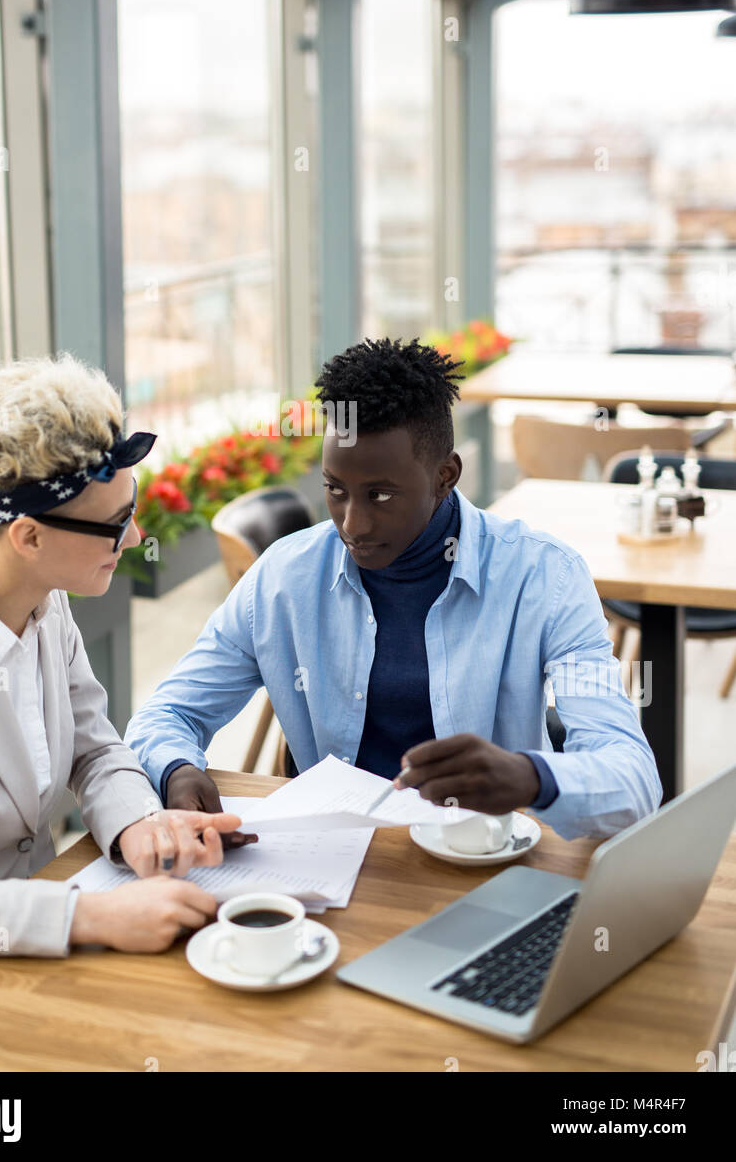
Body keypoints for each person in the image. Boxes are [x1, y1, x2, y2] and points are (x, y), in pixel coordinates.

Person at [127, 337, 662, 841]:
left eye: (381, 495)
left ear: (445, 475)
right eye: (335, 490)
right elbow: (168, 714)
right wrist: (175, 768)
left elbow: (634, 781)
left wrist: (531, 778)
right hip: (335, 860)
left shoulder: (546, 578)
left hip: (484, 857)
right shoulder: (284, 579)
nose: (352, 525)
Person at [0, 352, 243, 1000]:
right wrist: (86, 915)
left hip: (40, 963)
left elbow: (94, 748)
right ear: (28, 537)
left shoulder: (45, 598)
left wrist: (137, 828)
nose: (133, 541)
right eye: (114, 526)